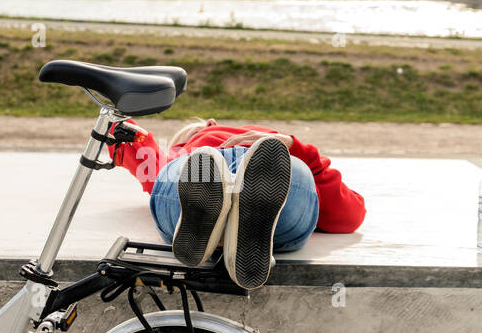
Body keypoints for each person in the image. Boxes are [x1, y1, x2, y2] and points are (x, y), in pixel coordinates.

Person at [111, 119, 366, 289]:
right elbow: (348, 216)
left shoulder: (188, 146)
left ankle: (214, 214)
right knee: (285, 174)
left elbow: (136, 147)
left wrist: (118, 123)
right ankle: (246, 218)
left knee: (188, 172)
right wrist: (296, 149)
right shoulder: (277, 144)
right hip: (276, 173)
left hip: (201, 166)